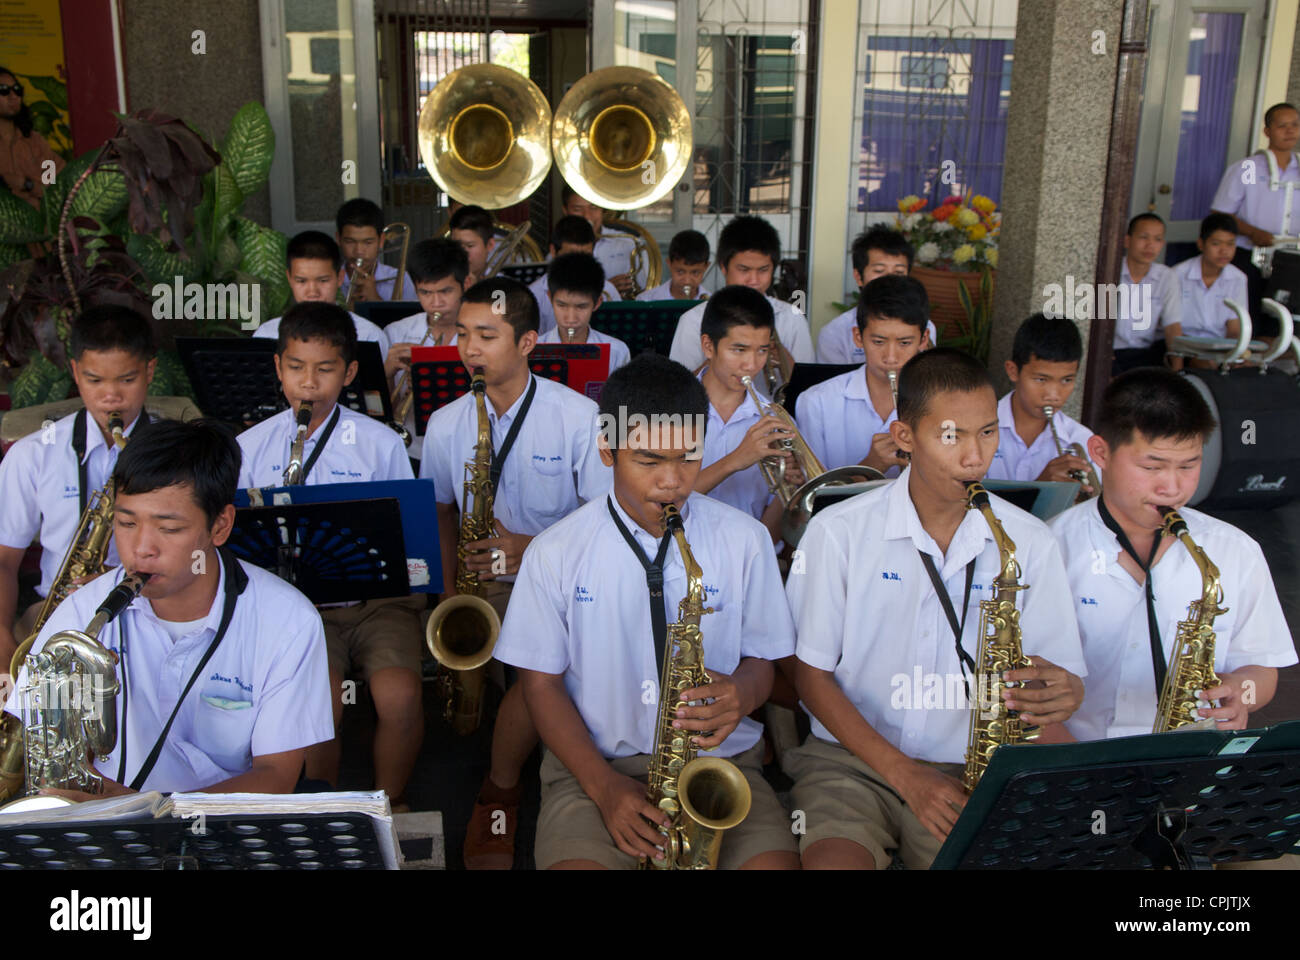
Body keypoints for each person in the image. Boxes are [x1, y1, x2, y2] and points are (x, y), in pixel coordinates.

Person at [494, 353, 800, 869]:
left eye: (688, 458)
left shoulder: (745, 540)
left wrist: (742, 692)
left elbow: (763, 662)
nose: (673, 482)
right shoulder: (555, 550)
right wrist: (604, 787)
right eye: (650, 461)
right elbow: (540, 686)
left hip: (721, 767)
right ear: (607, 450)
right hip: (594, 768)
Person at [785, 348, 1086, 869]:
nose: (976, 457)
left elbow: (1056, 675)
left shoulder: (1031, 541)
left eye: (988, 433)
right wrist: (905, 775)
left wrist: (1065, 691)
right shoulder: (839, 531)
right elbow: (809, 676)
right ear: (905, 437)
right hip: (850, 763)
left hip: (974, 768)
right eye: (952, 435)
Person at [5, 418, 333, 796]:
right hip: (106, 830)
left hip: (226, 835)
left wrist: (150, 812)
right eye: (126, 523)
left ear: (221, 525)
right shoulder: (81, 617)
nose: (142, 548)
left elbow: (276, 776)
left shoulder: (289, 621)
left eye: (169, 528)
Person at [420, 276, 611, 868]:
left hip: (557, 580)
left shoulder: (579, 415)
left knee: (535, 672)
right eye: (461, 334)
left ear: (528, 341)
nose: (469, 349)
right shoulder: (446, 422)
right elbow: (442, 513)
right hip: (479, 586)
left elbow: (602, 517)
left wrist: (529, 549)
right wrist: (453, 598)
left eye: (486, 335)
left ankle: (500, 790)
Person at [237, 301, 422, 806]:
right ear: (278, 369)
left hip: (377, 603)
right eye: (296, 368)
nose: (309, 384)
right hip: (296, 611)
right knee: (321, 702)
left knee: (400, 697)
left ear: (350, 373)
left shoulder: (379, 442)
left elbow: (409, 533)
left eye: (324, 370)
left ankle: (389, 804)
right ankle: (328, 808)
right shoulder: (249, 448)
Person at [1050, 367, 1296, 743]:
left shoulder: (1236, 550)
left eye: (1189, 465)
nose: (1173, 487)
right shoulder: (1050, 546)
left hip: (1191, 772)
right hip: (1070, 762)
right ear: (1100, 452)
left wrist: (1240, 693)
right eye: (1152, 467)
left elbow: (1262, 671)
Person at [0, 305, 157, 670]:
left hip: (150, 611)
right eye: (95, 380)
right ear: (74, 372)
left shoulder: (178, 455)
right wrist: (3, 641)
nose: (111, 397)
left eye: (126, 380)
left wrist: (121, 580)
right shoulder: (34, 453)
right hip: (54, 614)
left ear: (150, 371)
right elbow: (4, 560)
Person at [691, 285, 803, 542]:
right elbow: (660, 502)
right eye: (739, 350)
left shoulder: (776, 422)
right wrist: (736, 460)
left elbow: (773, 532)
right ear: (708, 346)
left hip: (748, 558)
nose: (752, 365)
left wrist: (790, 487)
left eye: (762, 350)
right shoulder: (668, 409)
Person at [795, 274, 929, 478]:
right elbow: (813, 494)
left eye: (904, 343)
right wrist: (871, 465)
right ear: (858, 337)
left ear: (923, 340)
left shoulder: (942, 402)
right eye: (878, 342)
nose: (891, 357)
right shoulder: (816, 402)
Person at [668, 215, 813, 377]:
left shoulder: (791, 318)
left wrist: (785, 360)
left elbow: (808, 388)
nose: (754, 280)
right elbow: (679, 391)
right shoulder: (693, 321)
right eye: (744, 270)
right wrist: (721, 355)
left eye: (763, 270)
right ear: (723, 267)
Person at [1210, 102, 1300, 334]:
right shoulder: (1249, 168)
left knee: (1282, 322)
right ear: (1267, 131)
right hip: (1248, 256)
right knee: (1247, 318)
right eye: (1282, 126)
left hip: (1289, 259)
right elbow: (1221, 214)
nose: (1290, 131)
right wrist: (1252, 232)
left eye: (1295, 125)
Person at [985, 313, 1097, 493]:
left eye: (1067, 380)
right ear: (1013, 371)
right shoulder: (978, 429)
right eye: (1041, 380)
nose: (1053, 395)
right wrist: (1039, 488)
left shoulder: (1081, 440)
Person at [383, 237, 468, 462]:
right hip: (412, 450)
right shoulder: (396, 332)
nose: (436, 303)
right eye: (426, 293)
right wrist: (388, 372)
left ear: (465, 284)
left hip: (466, 449)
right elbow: (380, 411)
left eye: (445, 291)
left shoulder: (481, 335)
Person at [252, 231, 391, 356]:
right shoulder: (267, 334)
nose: (312, 291)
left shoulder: (369, 335)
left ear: (340, 278)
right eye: (301, 281)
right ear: (289, 279)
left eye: (323, 281)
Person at [817, 225, 936, 363]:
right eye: (879, 271)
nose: (889, 280)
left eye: (899, 272)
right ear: (858, 276)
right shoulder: (834, 333)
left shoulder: (925, 326)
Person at [1164, 213, 1249, 371]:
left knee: (1250, 368)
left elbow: (1235, 329)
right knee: (1203, 367)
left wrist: (1232, 356)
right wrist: (1179, 367)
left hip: (1219, 348)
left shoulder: (1238, 278)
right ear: (1201, 244)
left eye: (1230, 244)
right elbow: (1173, 329)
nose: (1224, 251)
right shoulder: (1177, 275)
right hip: (1183, 347)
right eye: (1216, 244)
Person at [536, 252, 631, 374]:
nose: (570, 319)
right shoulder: (533, 350)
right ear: (550, 298)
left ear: (597, 303)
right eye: (561, 305)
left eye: (581, 307)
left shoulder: (617, 351)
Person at [528, 216, 621, 336]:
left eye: (585, 256)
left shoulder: (608, 290)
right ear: (553, 251)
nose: (578, 264)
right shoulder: (534, 294)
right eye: (570, 256)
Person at [1112, 213, 1181, 374]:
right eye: (1144, 237)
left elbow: (1173, 326)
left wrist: (1178, 371)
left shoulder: (1167, 276)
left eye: (1157, 239)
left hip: (1146, 353)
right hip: (1111, 354)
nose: (1150, 245)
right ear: (1127, 241)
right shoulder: (1111, 271)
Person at [561, 185, 643, 298]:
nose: (587, 216)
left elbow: (646, 291)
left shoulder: (629, 243)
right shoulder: (559, 251)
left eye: (594, 207)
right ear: (565, 211)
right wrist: (607, 289)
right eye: (578, 209)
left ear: (602, 209)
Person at [0, 66, 64, 209]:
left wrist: (27, 184)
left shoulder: (35, 141)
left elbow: (54, 183)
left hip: (38, 226)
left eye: (17, 89)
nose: (14, 96)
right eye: (4, 90)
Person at [335, 197, 417, 304]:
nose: (359, 251)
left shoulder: (402, 280)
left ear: (382, 240)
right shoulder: (330, 279)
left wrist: (375, 299)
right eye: (350, 242)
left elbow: (412, 320)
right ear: (338, 239)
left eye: (368, 242)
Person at [636, 229, 711, 301]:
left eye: (695, 273)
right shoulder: (646, 300)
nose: (687, 281)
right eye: (680, 272)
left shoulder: (713, 304)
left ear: (706, 267)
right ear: (669, 264)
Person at [449, 205, 498, 287]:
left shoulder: (502, 286)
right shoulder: (441, 282)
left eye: (470, 246)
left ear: (490, 245)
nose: (463, 254)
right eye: (457, 245)